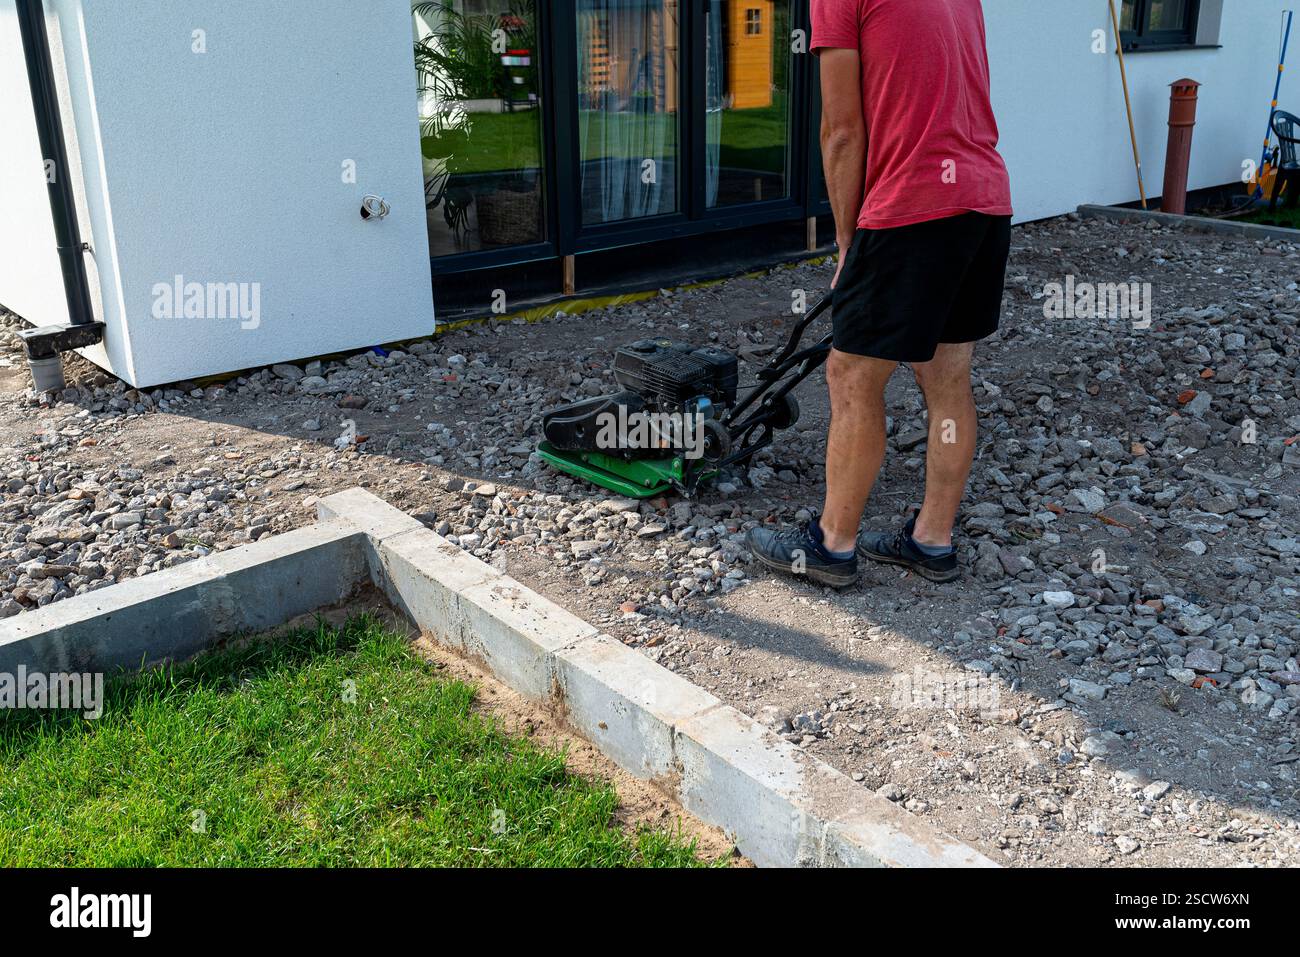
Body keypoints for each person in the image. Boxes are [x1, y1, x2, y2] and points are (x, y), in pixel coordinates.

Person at [747, 0, 1013, 588]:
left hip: (912, 207)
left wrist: (847, 242)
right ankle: (932, 541)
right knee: (947, 375)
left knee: (850, 373)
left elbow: (841, 131)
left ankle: (832, 546)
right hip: (983, 198)